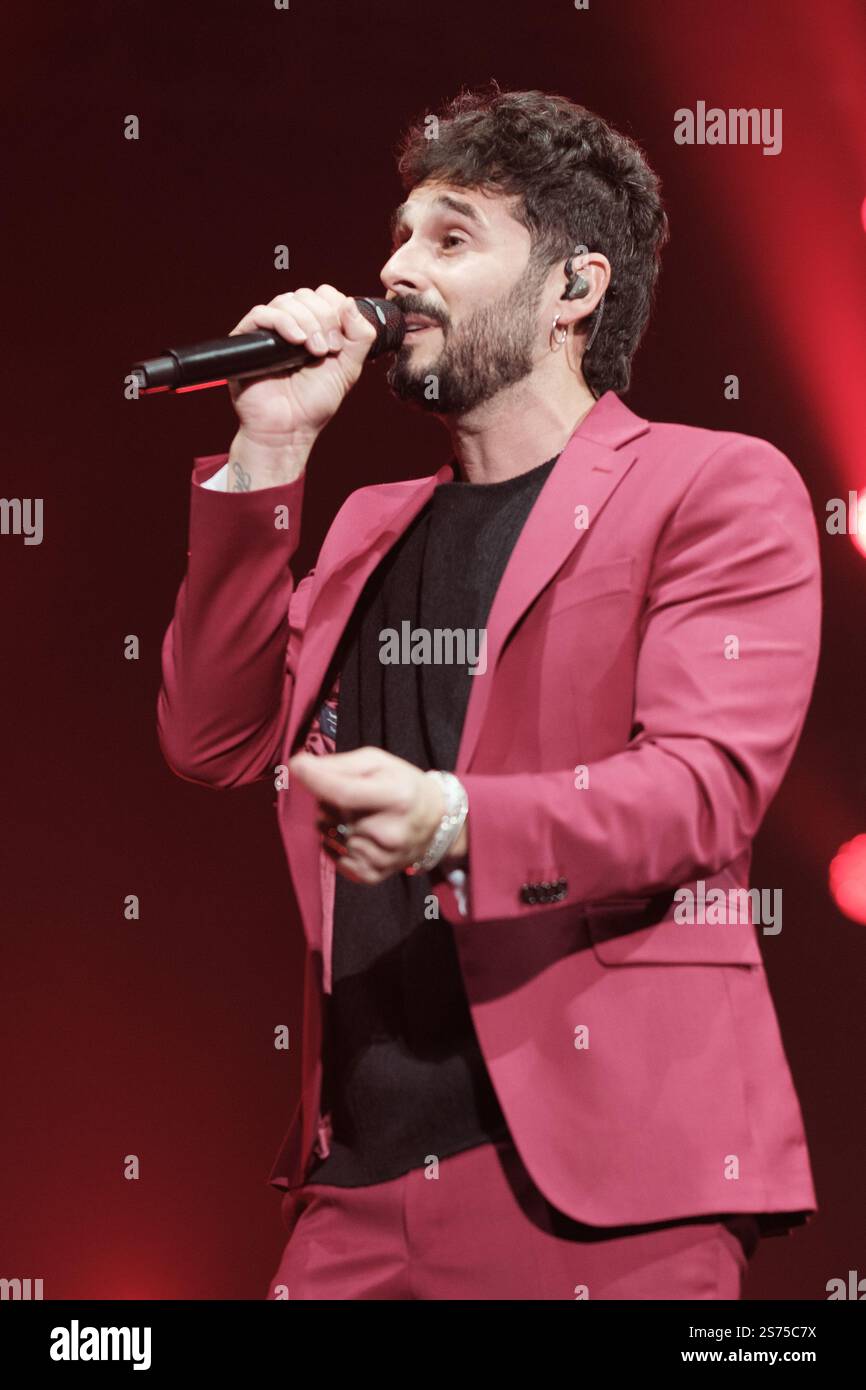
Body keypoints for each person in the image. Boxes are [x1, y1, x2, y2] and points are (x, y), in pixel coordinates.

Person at [156, 86, 821, 1300]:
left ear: (573, 289)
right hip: (351, 1191)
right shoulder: (365, 526)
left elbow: (698, 796)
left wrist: (452, 823)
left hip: (608, 1197)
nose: (395, 268)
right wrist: (269, 451)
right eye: (400, 233)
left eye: (450, 237)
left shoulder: (710, 484)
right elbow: (210, 737)